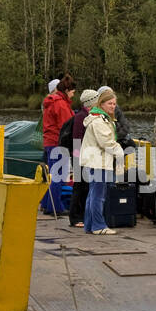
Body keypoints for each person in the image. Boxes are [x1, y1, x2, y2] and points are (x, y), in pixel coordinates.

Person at [80, 86, 124, 235]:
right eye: (109, 103)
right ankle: (98, 226)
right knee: (98, 196)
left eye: (114, 103)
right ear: (101, 104)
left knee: (93, 194)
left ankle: (89, 224)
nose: (112, 106)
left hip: (95, 161)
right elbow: (107, 142)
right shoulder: (99, 121)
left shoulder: (99, 118)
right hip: (98, 162)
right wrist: (120, 152)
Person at [40, 74, 76, 215]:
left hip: (50, 141)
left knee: (53, 175)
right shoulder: (61, 104)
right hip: (58, 143)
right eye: (73, 91)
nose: (74, 94)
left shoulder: (52, 102)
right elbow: (66, 127)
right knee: (59, 176)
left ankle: (46, 203)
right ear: (67, 90)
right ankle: (56, 207)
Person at [68, 88, 98, 226]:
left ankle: (81, 215)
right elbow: (77, 138)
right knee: (79, 186)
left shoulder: (90, 115)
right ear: (91, 102)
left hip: (86, 156)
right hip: (80, 156)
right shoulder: (81, 116)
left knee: (85, 186)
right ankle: (75, 217)